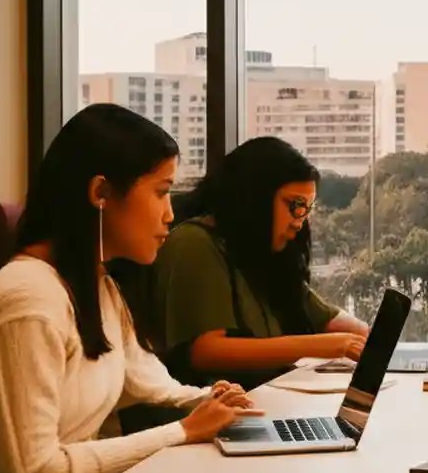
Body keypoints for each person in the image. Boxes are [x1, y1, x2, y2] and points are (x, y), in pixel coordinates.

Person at [0, 105, 250, 473]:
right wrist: (181, 432)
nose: (170, 214)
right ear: (100, 192)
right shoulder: (27, 304)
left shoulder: (93, 284)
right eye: (160, 192)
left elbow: (146, 380)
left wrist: (208, 401)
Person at [141, 137, 369, 389]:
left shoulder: (262, 253)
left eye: (307, 209)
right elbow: (206, 351)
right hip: (214, 410)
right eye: (295, 206)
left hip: (266, 401)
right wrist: (326, 345)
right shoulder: (194, 243)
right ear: (254, 197)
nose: (299, 221)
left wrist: (362, 337)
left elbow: (329, 319)